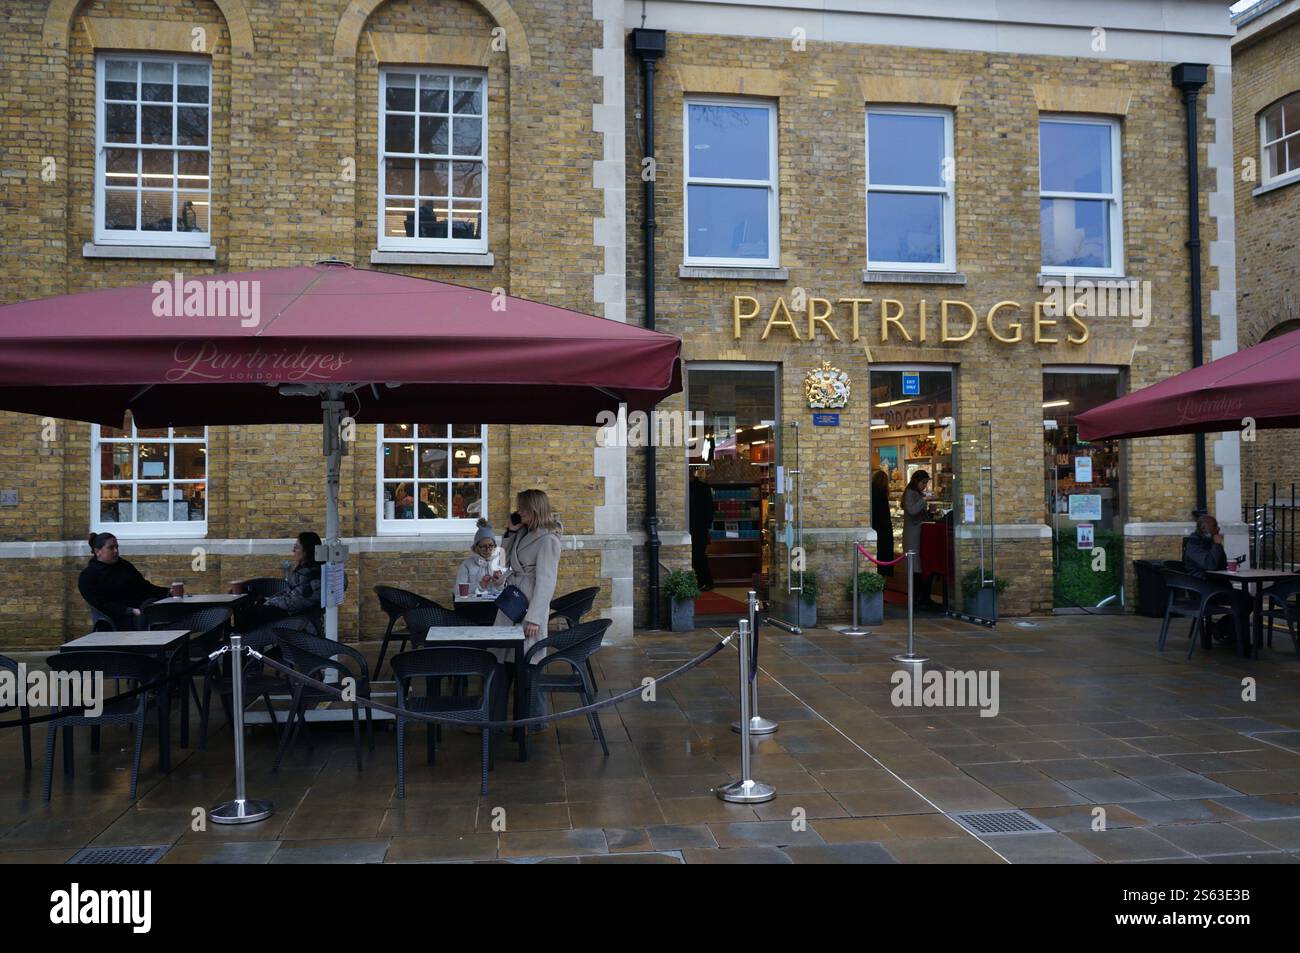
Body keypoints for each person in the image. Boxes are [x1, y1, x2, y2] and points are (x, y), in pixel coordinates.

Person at [496, 490, 562, 658]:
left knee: (524, 655)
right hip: (512, 597)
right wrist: (510, 532)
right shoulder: (522, 533)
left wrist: (534, 618)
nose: (518, 511)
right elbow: (503, 561)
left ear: (534, 509)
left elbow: (546, 583)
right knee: (503, 652)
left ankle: (523, 684)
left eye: (522, 507)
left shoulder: (548, 539)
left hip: (529, 602)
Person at [78, 532, 169, 630]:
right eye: (111, 548)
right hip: (119, 621)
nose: (116, 551)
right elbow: (100, 604)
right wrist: (130, 611)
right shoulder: (88, 576)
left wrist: (168, 593)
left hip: (143, 610)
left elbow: (144, 587)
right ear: (97, 551)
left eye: (117, 547)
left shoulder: (124, 566)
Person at [1183, 514, 1251, 644]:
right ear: (1204, 529)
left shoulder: (1209, 543)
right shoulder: (1194, 545)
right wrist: (1217, 545)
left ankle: (1227, 631)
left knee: (1247, 599)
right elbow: (1210, 565)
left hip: (1215, 587)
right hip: (1203, 591)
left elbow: (1220, 563)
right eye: (1214, 526)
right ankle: (1227, 633)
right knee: (1244, 600)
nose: (1218, 529)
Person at [239, 531, 325, 631]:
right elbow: (290, 593)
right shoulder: (305, 570)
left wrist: (271, 602)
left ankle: (247, 642)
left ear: (307, 551)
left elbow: (294, 602)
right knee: (248, 608)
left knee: (250, 612)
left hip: (297, 618)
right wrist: (268, 600)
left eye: (297, 547)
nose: (293, 550)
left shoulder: (314, 576)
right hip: (291, 612)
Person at [902, 469, 933, 607]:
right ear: (916, 481)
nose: (925, 486)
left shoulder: (916, 493)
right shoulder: (910, 493)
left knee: (919, 566)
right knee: (915, 567)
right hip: (913, 535)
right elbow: (912, 510)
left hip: (919, 534)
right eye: (923, 483)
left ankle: (920, 598)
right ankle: (915, 599)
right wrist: (924, 500)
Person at [455, 518, 505, 600]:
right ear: (476, 547)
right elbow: (457, 591)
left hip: (497, 607)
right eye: (483, 546)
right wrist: (479, 586)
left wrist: (500, 583)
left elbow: (508, 589)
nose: (487, 549)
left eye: (490, 545)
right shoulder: (467, 565)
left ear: (495, 546)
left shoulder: (500, 562)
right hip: (474, 607)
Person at [688, 469, 715, 589]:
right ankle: (703, 581)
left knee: (698, 556)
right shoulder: (704, 488)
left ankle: (705, 581)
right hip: (700, 528)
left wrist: (706, 525)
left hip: (698, 528)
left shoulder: (699, 488)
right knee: (699, 556)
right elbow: (710, 509)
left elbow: (709, 509)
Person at [870, 469, 895, 576]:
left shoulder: (871, 492)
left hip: (874, 530)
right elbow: (883, 517)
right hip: (883, 534)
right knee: (883, 562)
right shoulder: (881, 494)